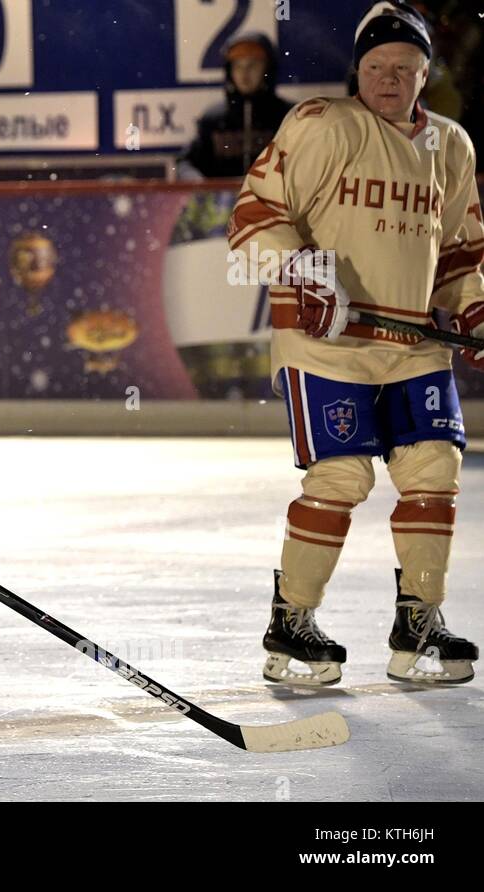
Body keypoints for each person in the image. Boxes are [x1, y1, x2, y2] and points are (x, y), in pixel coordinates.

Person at [228, 2, 482, 686]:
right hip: (327, 347)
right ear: (358, 70)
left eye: (404, 67)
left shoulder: (452, 146)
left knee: (434, 468)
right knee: (343, 478)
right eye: (375, 66)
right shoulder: (324, 125)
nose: (388, 78)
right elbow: (253, 219)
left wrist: (474, 309)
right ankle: (292, 622)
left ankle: (419, 621)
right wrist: (298, 269)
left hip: (415, 346)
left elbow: (461, 253)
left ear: (426, 75)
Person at [178, 33, 294, 179]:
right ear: (229, 71)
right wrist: (197, 183)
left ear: (267, 69)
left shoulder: (289, 117)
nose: (244, 73)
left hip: (276, 201)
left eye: (252, 65)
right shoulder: (212, 120)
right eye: (238, 66)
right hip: (222, 202)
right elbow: (185, 163)